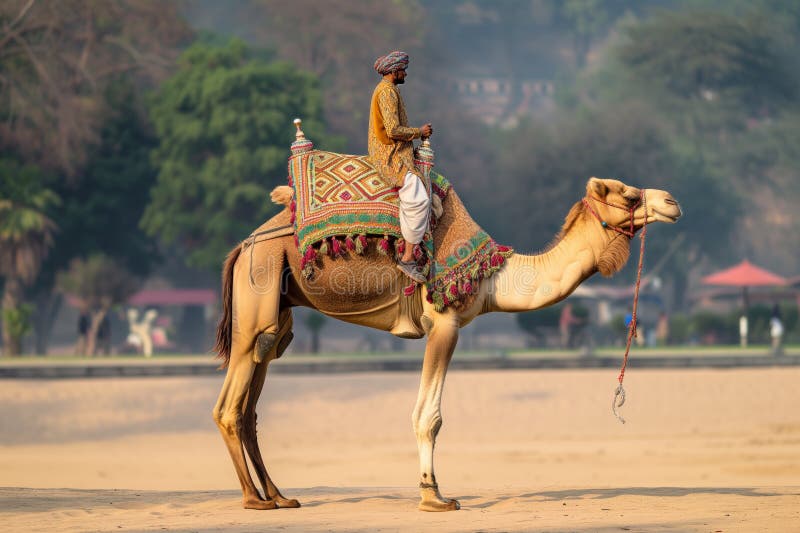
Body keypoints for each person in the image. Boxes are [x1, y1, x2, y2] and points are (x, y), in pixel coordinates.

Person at [368, 50, 432, 283]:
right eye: (403, 69)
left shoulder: (390, 90)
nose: (405, 73)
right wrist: (419, 132)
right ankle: (407, 258)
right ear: (394, 71)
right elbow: (393, 130)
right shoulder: (386, 93)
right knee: (419, 199)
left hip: (398, 151)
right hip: (390, 156)